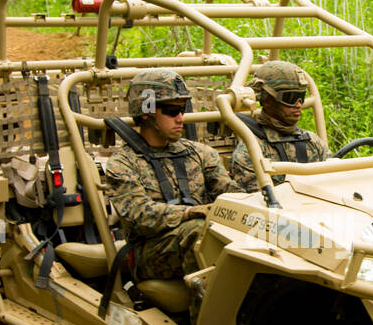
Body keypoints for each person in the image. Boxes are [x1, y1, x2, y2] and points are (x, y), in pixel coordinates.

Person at [105, 69, 234, 287]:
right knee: (199, 233)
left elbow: (229, 191)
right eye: (172, 110)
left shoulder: (201, 153)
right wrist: (188, 212)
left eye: (182, 109)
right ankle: (207, 320)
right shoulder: (122, 163)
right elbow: (138, 215)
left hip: (200, 234)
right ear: (146, 110)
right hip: (150, 251)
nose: (180, 118)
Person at [230, 59, 331, 190]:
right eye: (290, 98)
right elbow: (258, 203)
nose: (299, 104)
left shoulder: (313, 142)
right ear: (267, 101)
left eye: (301, 96)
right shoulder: (251, 151)